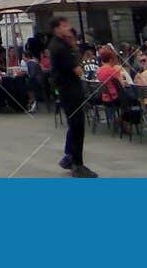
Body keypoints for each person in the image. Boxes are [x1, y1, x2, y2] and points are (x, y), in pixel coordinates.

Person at [48, 17, 94, 177]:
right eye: (64, 25)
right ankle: (77, 164)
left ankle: (69, 156)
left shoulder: (57, 45)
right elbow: (78, 70)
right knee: (77, 126)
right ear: (56, 29)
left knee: (73, 125)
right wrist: (74, 47)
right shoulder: (61, 47)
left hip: (66, 90)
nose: (68, 28)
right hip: (70, 91)